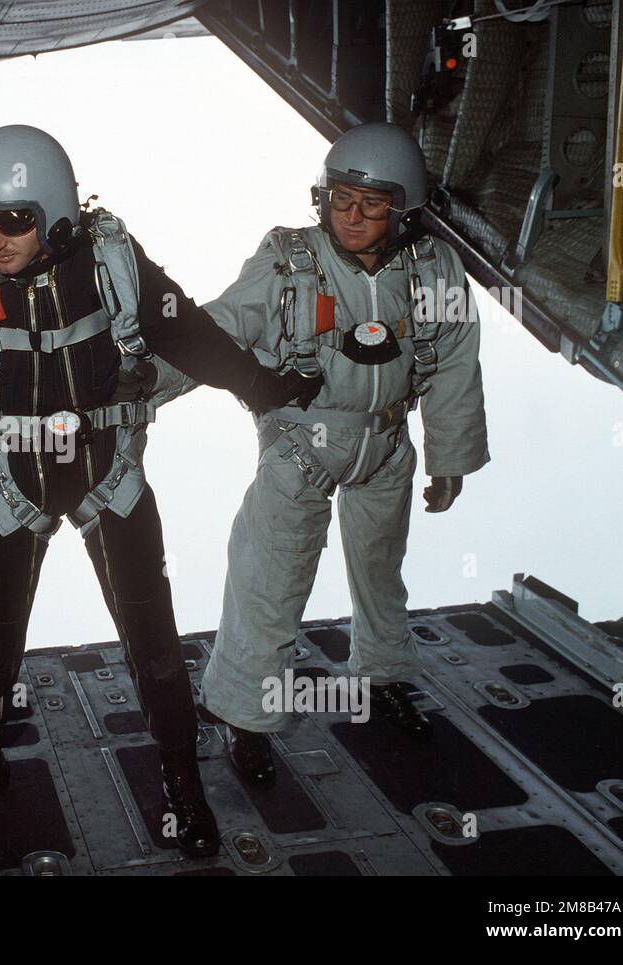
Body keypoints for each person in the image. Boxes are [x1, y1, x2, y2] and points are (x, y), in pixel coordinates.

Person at [0, 124, 321, 858]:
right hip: (9, 489)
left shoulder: (113, 266)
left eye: (13, 220)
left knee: (155, 646)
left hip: (110, 479)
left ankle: (179, 775)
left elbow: (189, 335)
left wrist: (265, 386)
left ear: (58, 213)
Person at [195, 122, 490, 784]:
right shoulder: (289, 260)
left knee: (381, 574)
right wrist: (131, 386)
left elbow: (452, 366)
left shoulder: (433, 268)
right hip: (304, 442)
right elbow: (218, 329)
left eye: (371, 204)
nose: (351, 217)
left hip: (387, 442)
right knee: (269, 582)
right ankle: (246, 716)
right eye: (340, 200)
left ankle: (381, 674)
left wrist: (449, 457)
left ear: (405, 209)